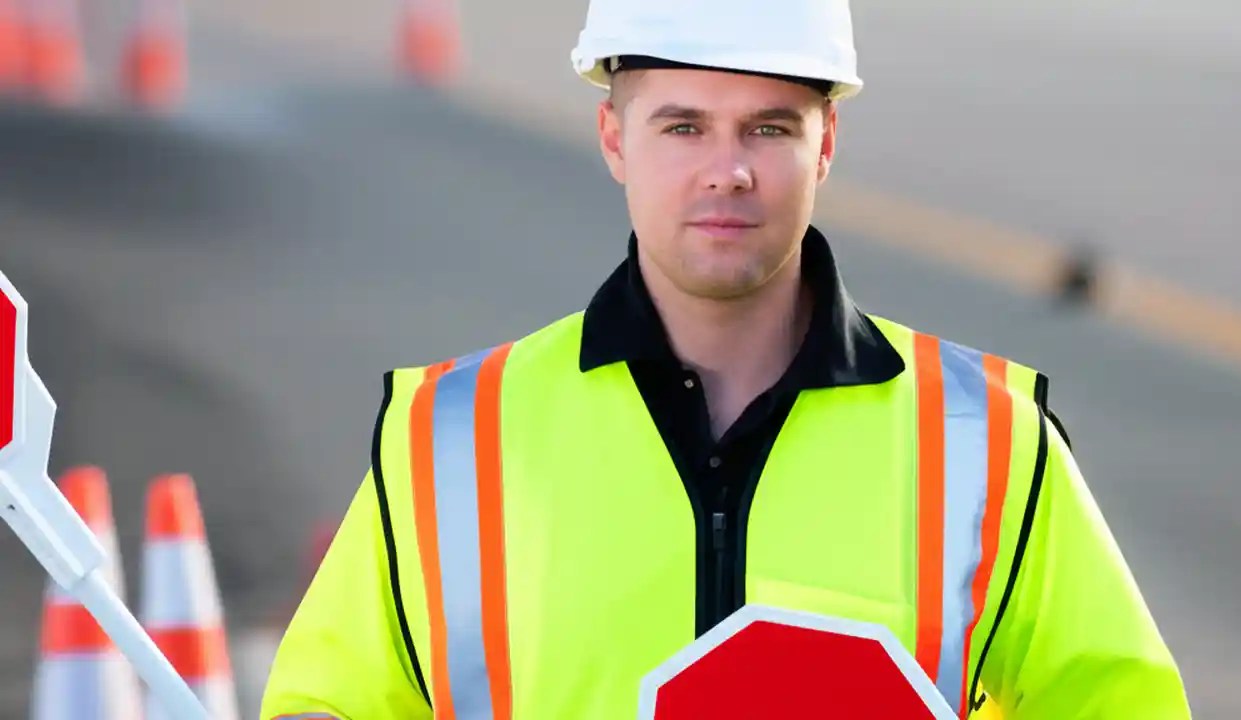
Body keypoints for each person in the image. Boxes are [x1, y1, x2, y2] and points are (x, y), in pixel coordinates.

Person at [261, 0, 1191, 717]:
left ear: (826, 142)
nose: (727, 169)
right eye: (683, 125)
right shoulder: (448, 440)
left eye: (769, 127)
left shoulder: (988, 441)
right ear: (614, 139)